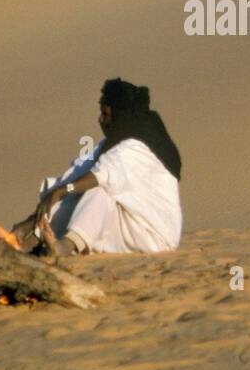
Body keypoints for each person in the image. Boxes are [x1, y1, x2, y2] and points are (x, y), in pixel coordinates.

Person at [17, 78, 182, 256]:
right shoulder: (112, 143)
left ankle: (63, 247)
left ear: (120, 115)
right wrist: (30, 222)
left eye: (105, 114)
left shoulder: (135, 147)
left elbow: (98, 176)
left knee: (99, 191)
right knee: (75, 192)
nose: (100, 119)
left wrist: (60, 192)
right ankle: (26, 238)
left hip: (154, 237)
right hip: (130, 223)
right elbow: (76, 175)